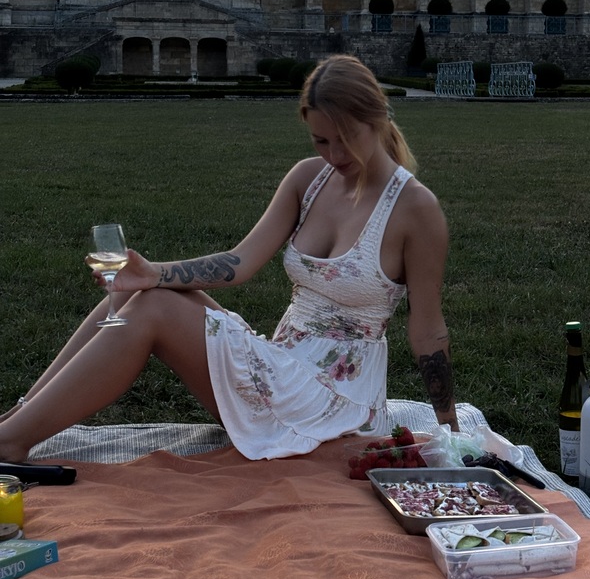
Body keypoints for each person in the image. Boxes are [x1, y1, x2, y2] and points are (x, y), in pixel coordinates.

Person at [0, 55, 457, 464]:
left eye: (347, 139)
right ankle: (16, 422)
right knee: (128, 295)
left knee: (154, 306)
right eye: (321, 141)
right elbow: (240, 262)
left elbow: (428, 330)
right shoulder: (309, 179)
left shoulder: (415, 208)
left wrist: (453, 435)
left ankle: (9, 441)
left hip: (336, 403)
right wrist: (153, 272)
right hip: (282, 368)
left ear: (377, 119)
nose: (335, 155)